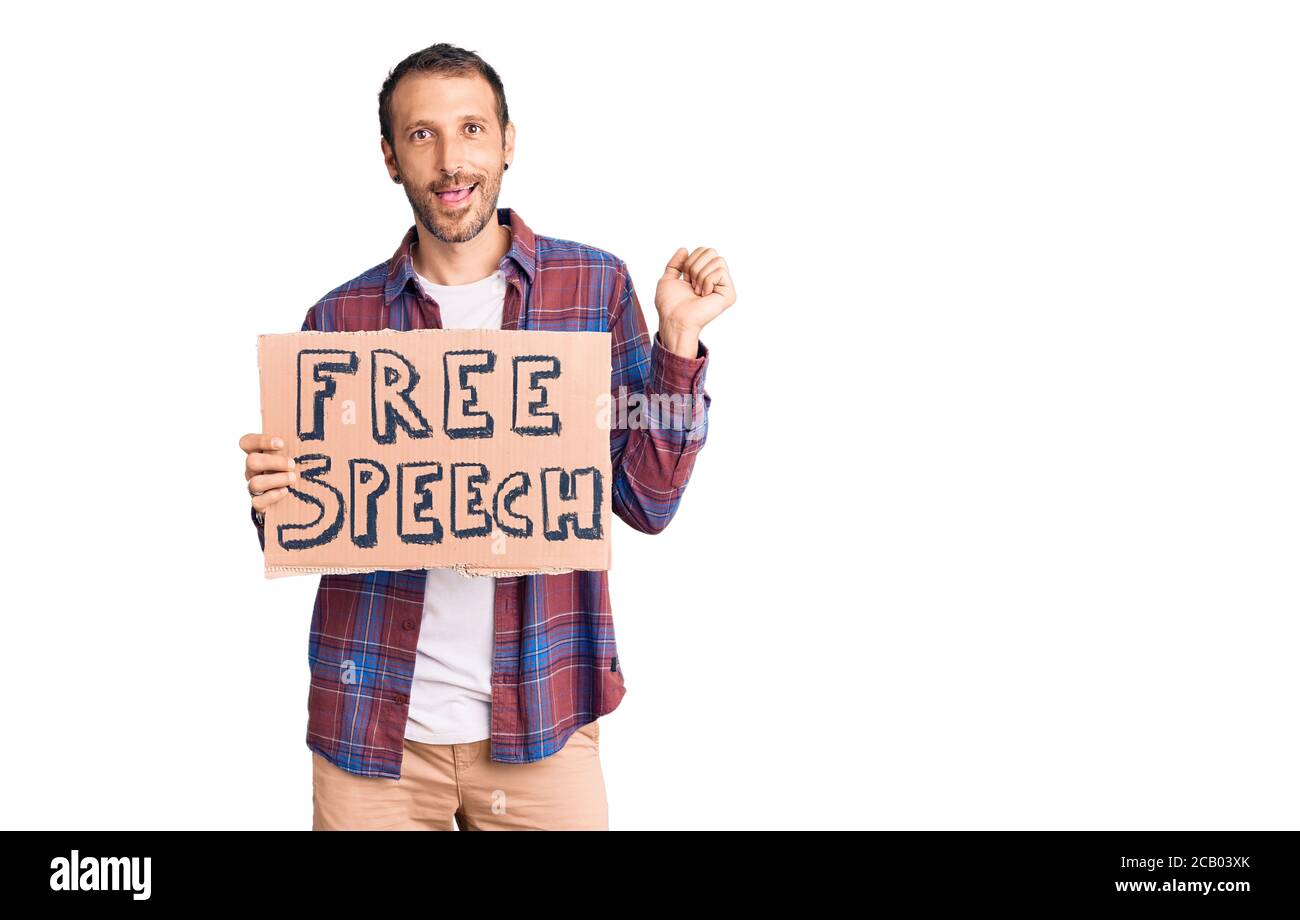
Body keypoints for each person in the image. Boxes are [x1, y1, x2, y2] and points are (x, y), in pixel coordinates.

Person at [239, 43, 735, 830]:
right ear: (390, 157)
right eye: (422, 134)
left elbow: (646, 502)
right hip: (373, 735)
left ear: (507, 141)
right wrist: (272, 499)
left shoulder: (594, 288)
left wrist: (677, 342)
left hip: (542, 723)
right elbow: (306, 521)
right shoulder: (337, 322)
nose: (450, 159)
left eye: (471, 128)